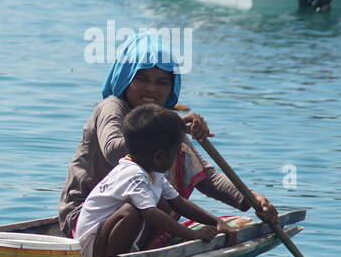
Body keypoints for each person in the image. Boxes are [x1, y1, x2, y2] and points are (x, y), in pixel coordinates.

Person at [58, 30, 278, 245]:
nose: (151, 89)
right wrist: (175, 126)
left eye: (162, 82)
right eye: (142, 79)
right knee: (137, 210)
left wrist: (252, 199)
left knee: (227, 223)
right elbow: (114, 150)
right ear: (125, 79)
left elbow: (204, 175)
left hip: (137, 215)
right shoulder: (112, 107)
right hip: (86, 219)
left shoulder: (164, 120)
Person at [75, 104, 237, 257]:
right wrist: (192, 234)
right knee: (131, 211)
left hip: (103, 240)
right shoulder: (133, 174)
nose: (176, 159)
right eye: (175, 153)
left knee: (163, 205)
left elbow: (178, 203)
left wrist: (216, 222)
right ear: (159, 157)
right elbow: (151, 214)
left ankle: (138, 253)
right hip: (91, 247)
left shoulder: (151, 171)